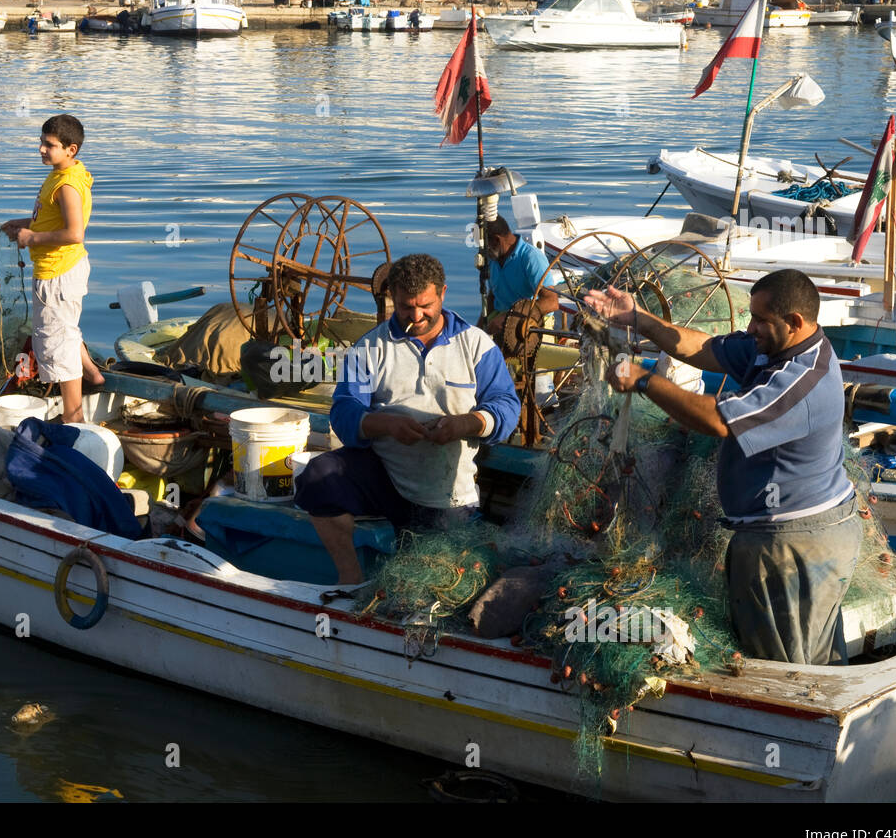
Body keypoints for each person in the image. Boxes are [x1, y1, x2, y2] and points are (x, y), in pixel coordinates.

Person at [583, 268, 860, 665]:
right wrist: (639, 318)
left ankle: (786, 727)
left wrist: (644, 381)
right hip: (784, 530)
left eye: (761, 319)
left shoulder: (801, 379)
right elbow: (706, 350)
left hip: (796, 541)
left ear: (796, 322)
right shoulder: (779, 346)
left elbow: (717, 421)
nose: (751, 328)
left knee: (785, 667)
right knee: (801, 651)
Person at [293, 254, 521, 585]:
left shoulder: (477, 346)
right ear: (393, 300)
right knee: (318, 477)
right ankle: (350, 578)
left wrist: (466, 424)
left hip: (447, 492)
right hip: (386, 478)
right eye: (405, 307)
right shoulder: (369, 348)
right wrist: (386, 425)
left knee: (444, 578)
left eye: (425, 305)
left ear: (442, 293)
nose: (416, 316)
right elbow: (344, 411)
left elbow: (506, 407)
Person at [0, 114, 104, 424]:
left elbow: (74, 233)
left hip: (58, 273)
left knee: (57, 343)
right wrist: (25, 224)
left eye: (50, 145)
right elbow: (51, 218)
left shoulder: (69, 184)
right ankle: (94, 376)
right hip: (62, 270)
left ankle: (74, 420)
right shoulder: (62, 174)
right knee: (66, 330)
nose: (42, 149)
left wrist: (32, 237)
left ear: (71, 149)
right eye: (42, 142)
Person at [481, 215, 558, 336]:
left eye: (484, 246)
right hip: (499, 318)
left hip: (532, 321)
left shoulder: (531, 257)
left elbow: (551, 302)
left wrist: (509, 318)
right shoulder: (493, 260)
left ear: (497, 240)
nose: (482, 252)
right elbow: (493, 295)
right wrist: (477, 329)